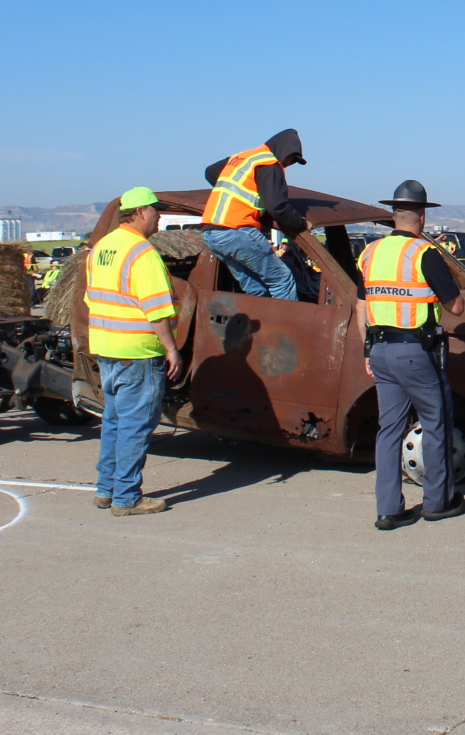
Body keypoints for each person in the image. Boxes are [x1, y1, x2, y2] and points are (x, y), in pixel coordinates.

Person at [357, 180, 465, 530]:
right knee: (436, 422)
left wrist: (367, 351)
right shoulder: (424, 254)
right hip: (415, 351)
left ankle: (388, 510)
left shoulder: (369, 253)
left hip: (379, 350)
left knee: (388, 429)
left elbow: (361, 305)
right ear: (421, 217)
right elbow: (458, 307)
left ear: (394, 216)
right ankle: (437, 501)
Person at [85, 187, 184, 516]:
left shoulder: (101, 248)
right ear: (141, 211)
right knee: (136, 426)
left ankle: (106, 489)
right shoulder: (142, 253)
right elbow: (156, 309)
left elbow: (90, 298)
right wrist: (172, 349)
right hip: (138, 352)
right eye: (156, 212)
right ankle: (127, 498)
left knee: (114, 422)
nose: (159, 218)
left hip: (107, 349)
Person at [199, 129, 309, 299]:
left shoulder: (243, 157)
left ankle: (262, 324)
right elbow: (278, 207)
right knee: (282, 280)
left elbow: (211, 172)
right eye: (291, 158)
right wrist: (301, 224)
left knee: (256, 288)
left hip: (213, 234)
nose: (289, 163)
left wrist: (239, 192)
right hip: (237, 231)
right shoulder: (269, 164)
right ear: (283, 150)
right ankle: (286, 325)